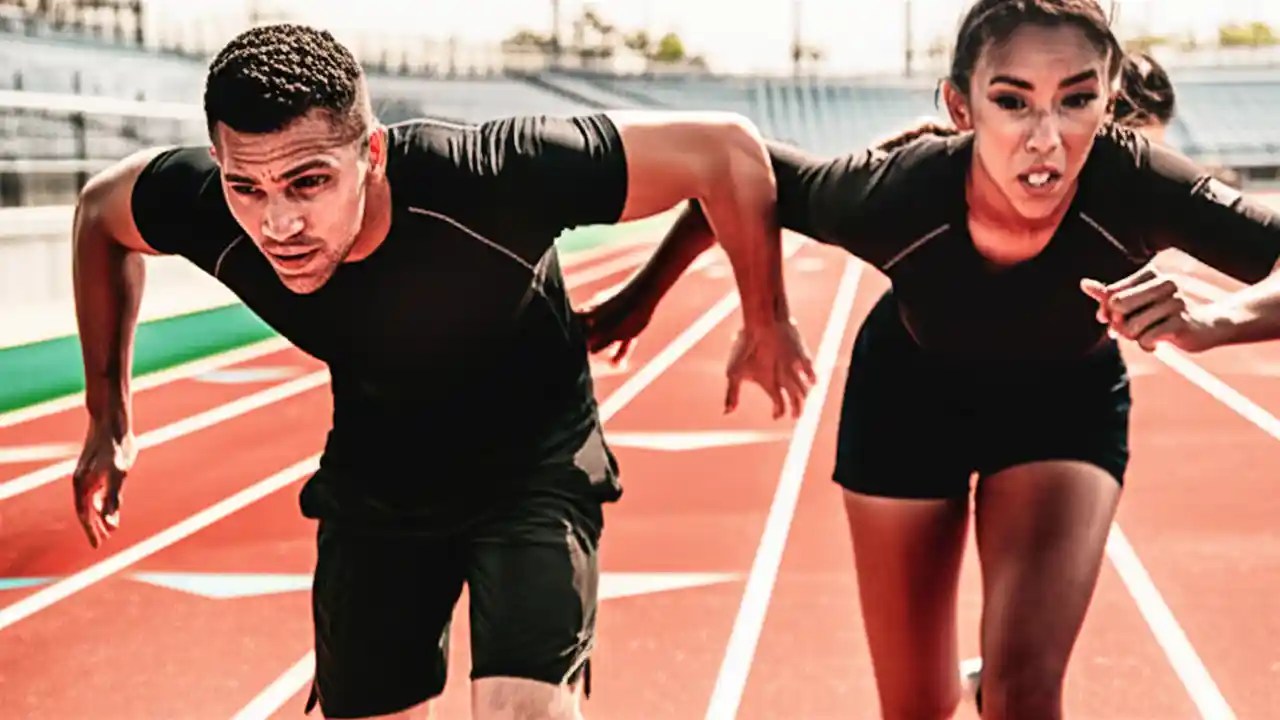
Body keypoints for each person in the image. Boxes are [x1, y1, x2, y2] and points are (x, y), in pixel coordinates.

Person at [68, 23, 814, 720]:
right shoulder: (204, 207)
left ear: (374, 155)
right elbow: (100, 212)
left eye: (309, 183)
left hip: (535, 465)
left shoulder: (491, 177)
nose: (278, 224)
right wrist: (110, 415)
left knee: (521, 709)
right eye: (246, 188)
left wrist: (761, 318)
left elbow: (728, 153)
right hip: (377, 480)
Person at [578, 1, 1280, 717]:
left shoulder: (1134, 183)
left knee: (1023, 693)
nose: (1046, 138)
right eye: (1012, 101)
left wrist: (1218, 321)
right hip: (907, 404)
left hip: (1062, 405)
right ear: (960, 107)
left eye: (1077, 100)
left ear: (1108, 96)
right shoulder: (897, 195)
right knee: (916, 707)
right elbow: (728, 180)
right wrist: (747, 314)